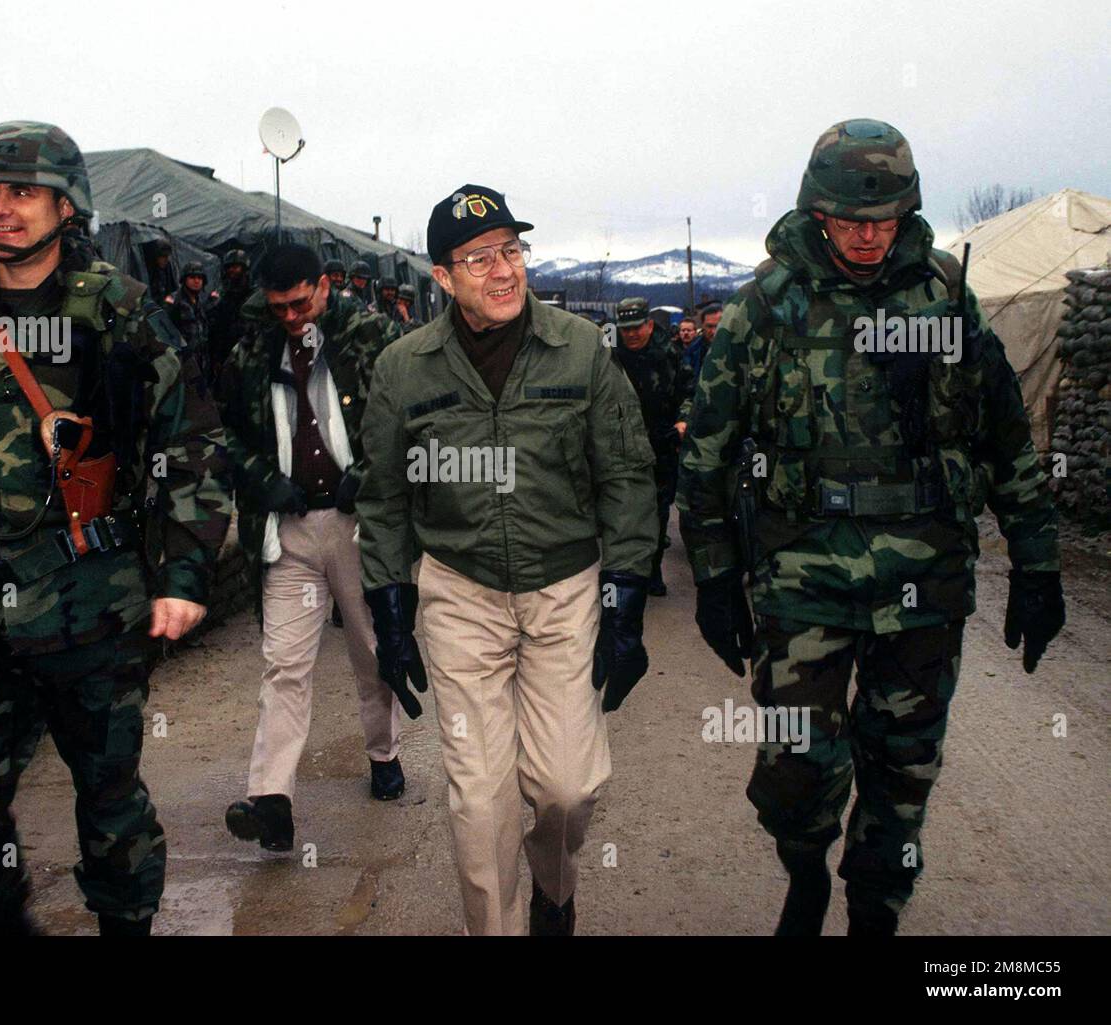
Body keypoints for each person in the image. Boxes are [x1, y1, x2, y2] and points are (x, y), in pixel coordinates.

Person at [675, 119, 1065, 936]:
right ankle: (804, 865)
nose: (866, 236)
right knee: (795, 768)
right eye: (851, 220)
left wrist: (1037, 562)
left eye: (884, 219)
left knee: (904, 765)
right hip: (803, 577)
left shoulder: (944, 297)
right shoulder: (765, 310)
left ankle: (875, 910)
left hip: (924, 581)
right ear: (816, 211)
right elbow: (706, 456)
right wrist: (714, 577)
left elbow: (1001, 434)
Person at [0, 121, 233, 937]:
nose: (1, 209)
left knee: (108, 793)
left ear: (66, 205)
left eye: (22, 192)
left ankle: (125, 924)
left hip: (91, 597)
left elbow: (189, 444)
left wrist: (184, 574)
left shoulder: (118, 313)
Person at [358, 183, 657, 935]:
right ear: (443, 277)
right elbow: (385, 496)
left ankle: (555, 888)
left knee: (565, 788)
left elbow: (624, 470)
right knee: (480, 797)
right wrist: (390, 606)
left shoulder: (579, 348)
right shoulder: (403, 370)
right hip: (461, 593)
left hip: (564, 588)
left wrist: (627, 593)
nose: (503, 270)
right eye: (480, 257)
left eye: (512, 250)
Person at [217, 244, 406, 853]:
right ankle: (272, 799)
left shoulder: (370, 334)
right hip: (289, 529)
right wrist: (259, 477)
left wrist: (371, 473)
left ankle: (383, 753)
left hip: (355, 525)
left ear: (323, 288)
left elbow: (405, 418)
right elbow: (224, 434)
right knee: (285, 664)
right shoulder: (251, 349)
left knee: (370, 651)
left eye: (301, 303)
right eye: (280, 308)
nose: (293, 317)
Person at [614, 297, 690, 596]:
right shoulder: (610, 356)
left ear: (648, 325)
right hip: (619, 447)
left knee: (657, 514)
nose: (630, 334)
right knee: (623, 516)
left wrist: (683, 421)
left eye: (636, 328)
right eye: (625, 329)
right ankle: (626, 573)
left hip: (659, 445)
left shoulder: (668, 354)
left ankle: (653, 568)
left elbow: (689, 392)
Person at [206, 249, 254, 387]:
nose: (232, 271)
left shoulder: (253, 295)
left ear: (244, 268)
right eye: (229, 267)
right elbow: (216, 329)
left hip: (248, 351)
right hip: (226, 351)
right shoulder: (222, 296)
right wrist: (217, 358)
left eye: (236, 267)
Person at [147, 238, 177, 305]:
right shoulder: (150, 271)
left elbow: (172, 288)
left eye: (167, 256)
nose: (166, 259)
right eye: (163, 256)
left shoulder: (167, 267)